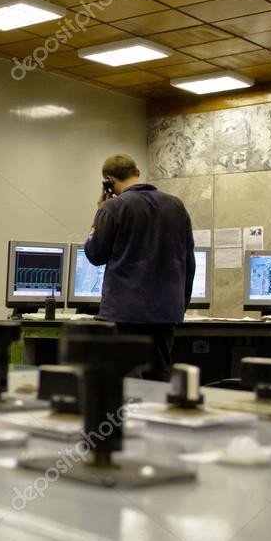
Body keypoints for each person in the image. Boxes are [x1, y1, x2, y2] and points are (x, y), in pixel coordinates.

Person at [84, 154, 195, 381]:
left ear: (109, 181)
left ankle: (122, 419)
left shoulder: (113, 207)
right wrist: (179, 307)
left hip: (124, 313)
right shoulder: (176, 205)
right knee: (159, 379)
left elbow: (95, 254)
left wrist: (99, 211)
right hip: (166, 313)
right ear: (137, 173)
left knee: (126, 382)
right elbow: (189, 262)